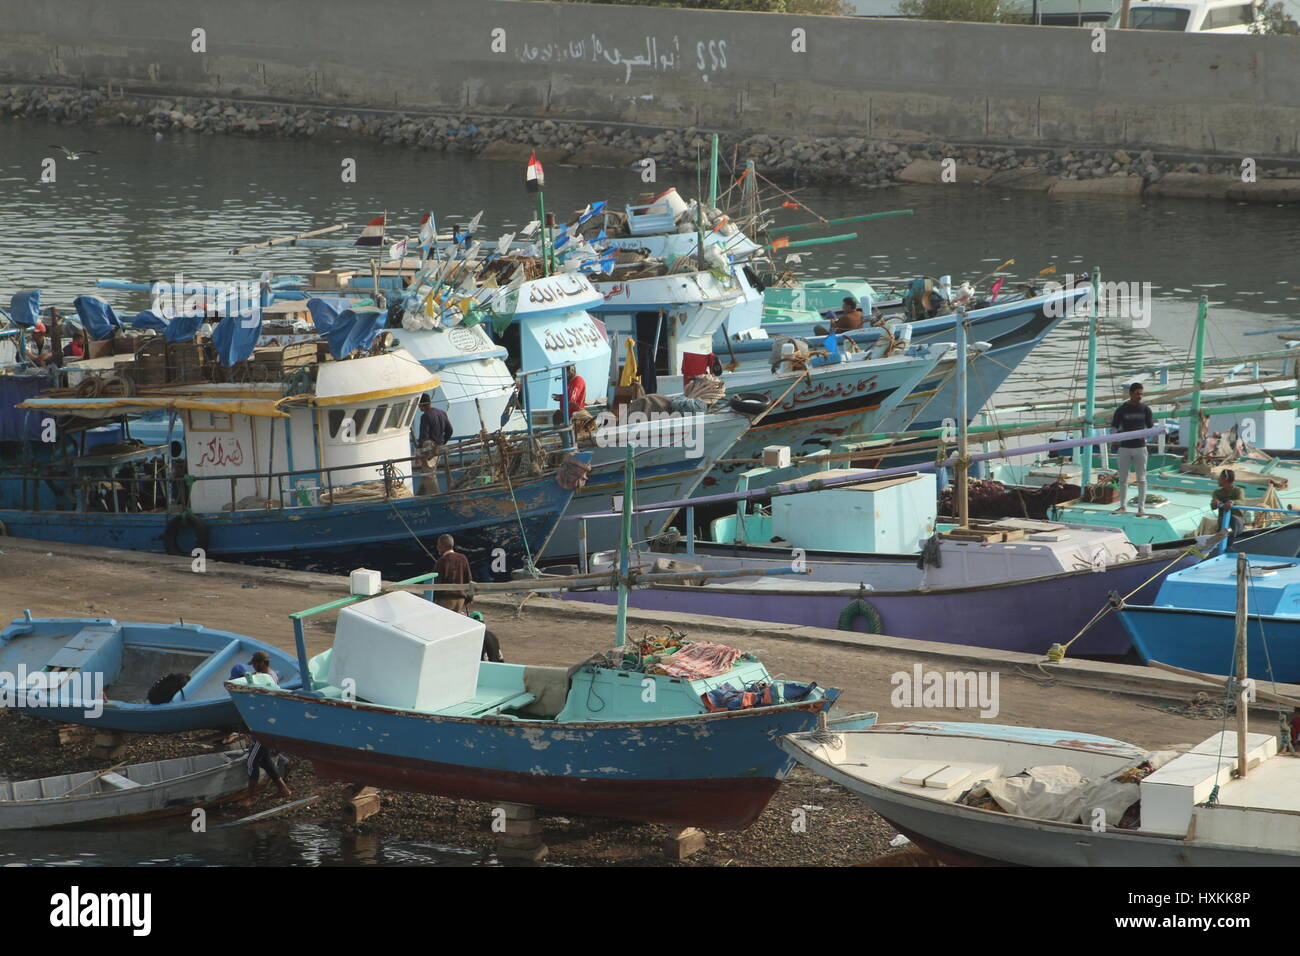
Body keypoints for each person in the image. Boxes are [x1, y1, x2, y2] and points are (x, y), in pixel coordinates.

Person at [1112, 382, 1153, 516]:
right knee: (1123, 478)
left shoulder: (1146, 409)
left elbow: (1150, 428)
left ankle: (1141, 507)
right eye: (1137, 394)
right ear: (1130, 393)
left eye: (1141, 394)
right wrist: (1115, 439)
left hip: (1140, 447)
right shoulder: (1122, 409)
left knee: (1141, 478)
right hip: (1125, 447)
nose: (1139, 396)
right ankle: (1123, 506)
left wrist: (1147, 434)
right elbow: (1114, 428)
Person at [415, 395, 452, 495]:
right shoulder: (442, 413)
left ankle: (436, 496)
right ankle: (420, 496)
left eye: (419, 405)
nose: (418, 407)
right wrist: (442, 443)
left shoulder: (425, 416)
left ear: (422, 404)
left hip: (429, 450)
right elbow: (450, 431)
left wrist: (418, 455)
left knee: (429, 474)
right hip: (438, 449)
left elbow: (423, 436)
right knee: (426, 472)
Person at [435, 533, 473, 614]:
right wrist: (469, 598)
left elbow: (437, 582)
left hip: (446, 599)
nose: (437, 547)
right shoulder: (463, 558)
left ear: (443, 546)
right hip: (460, 599)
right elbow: (469, 579)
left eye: (438, 545)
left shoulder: (442, 560)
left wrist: (432, 599)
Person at [1212, 468, 1245, 537]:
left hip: (1237, 521)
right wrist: (1215, 503)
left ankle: (1227, 541)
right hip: (1223, 521)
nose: (1218, 479)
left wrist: (1231, 502)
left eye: (1219, 477)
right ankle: (1223, 539)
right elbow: (1213, 505)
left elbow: (1241, 501)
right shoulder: (1217, 492)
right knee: (1225, 527)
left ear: (1225, 478)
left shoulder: (1238, 490)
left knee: (1233, 520)